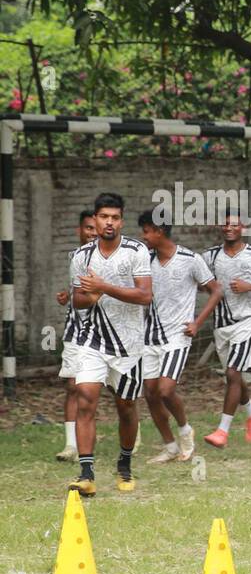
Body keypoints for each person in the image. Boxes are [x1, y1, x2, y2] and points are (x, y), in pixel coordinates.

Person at [67, 192, 153, 495]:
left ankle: (125, 464)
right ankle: (86, 473)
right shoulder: (82, 256)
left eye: (115, 218)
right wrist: (89, 295)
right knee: (85, 397)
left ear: (122, 221)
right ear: (96, 218)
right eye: (104, 217)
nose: (109, 222)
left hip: (129, 346)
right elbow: (77, 299)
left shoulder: (136, 251)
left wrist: (103, 287)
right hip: (92, 339)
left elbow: (145, 296)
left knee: (126, 407)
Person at [140, 207, 222, 464]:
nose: (143, 237)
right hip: (149, 337)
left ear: (159, 231)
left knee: (165, 390)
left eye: (146, 232)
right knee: (150, 394)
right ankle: (170, 446)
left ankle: (186, 430)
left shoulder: (190, 259)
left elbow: (216, 291)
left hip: (177, 336)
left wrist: (197, 323)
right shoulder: (145, 261)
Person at [202, 211, 251, 448]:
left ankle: (222, 431)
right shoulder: (210, 257)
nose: (229, 228)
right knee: (234, 376)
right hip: (221, 324)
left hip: (247, 320)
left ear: (243, 227)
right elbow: (199, 280)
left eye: (234, 224)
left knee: (233, 373)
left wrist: (250, 286)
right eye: (225, 224)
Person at [55, 210, 98, 462]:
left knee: (117, 390)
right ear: (79, 230)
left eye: (95, 228)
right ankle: (71, 445)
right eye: (88, 228)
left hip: (106, 331)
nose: (92, 232)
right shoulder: (74, 256)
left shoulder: (115, 257)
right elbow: (75, 291)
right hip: (76, 329)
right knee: (73, 385)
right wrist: (66, 296)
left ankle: (130, 434)